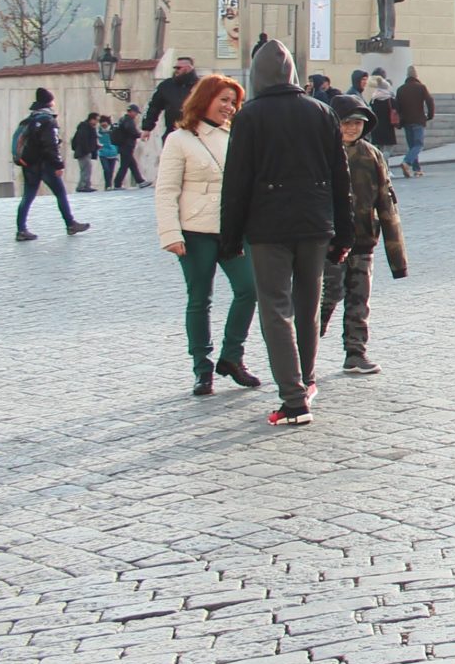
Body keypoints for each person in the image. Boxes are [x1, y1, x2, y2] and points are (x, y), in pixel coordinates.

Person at [217, 39, 350, 428]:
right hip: (314, 222)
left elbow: (236, 183)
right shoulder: (322, 112)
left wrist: (229, 237)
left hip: (268, 226)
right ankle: (305, 382)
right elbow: (340, 178)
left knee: (276, 308)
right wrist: (344, 233)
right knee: (307, 305)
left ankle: (293, 399)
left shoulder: (250, 116)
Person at [154, 75, 259, 394]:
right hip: (195, 231)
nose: (229, 107)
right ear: (205, 99)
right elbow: (166, 190)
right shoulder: (180, 139)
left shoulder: (237, 136)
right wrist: (171, 232)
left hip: (232, 229)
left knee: (249, 289)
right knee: (200, 299)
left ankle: (231, 356)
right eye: (224, 100)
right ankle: (202, 367)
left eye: (233, 102)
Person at [319, 95, 407, 376]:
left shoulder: (371, 155)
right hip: (327, 241)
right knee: (328, 293)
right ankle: (306, 341)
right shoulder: (321, 152)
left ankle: (355, 352)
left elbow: (386, 202)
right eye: (346, 123)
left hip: (363, 238)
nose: (352, 128)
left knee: (359, 298)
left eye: (357, 123)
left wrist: (398, 259)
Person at [11, 88, 89, 242]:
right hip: (45, 164)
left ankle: (21, 230)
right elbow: (51, 145)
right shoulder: (48, 121)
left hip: (29, 165)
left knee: (27, 197)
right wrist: (58, 164)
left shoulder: (28, 120)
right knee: (60, 194)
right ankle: (70, 224)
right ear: (48, 103)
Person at [142, 55, 199, 142]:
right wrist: (147, 128)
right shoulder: (166, 85)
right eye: (175, 68)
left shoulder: (200, 86)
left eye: (179, 68)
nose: (176, 70)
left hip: (195, 133)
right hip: (171, 132)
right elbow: (154, 106)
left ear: (188, 68)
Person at [395, 68, 434, 177]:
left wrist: (400, 120)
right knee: (418, 144)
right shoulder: (421, 88)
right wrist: (430, 115)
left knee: (412, 145)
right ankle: (406, 162)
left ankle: (416, 169)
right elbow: (430, 101)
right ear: (416, 76)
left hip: (406, 121)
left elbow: (397, 107)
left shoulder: (400, 89)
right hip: (418, 120)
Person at [109, 108, 146, 187]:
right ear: (131, 111)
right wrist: (139, 134)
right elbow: (131, 131)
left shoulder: (123, 119)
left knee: (132, 165)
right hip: (126, 146)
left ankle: (140, 181)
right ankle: (117, 183)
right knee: (125, 165)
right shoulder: (128, 120)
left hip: (124, 146)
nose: (136, 115)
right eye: (135, 112)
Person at [72, 112, 102, 192]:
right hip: (83, 152)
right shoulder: (84, 127)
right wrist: (87, 149)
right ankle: (82, 186)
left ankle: (86, 185)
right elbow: (83, 140)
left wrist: (95, 146)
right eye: (96, 120)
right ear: (91, 119)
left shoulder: (89, 127)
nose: (97, 122)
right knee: (86, 169)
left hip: (86, 151)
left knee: (87, 169)